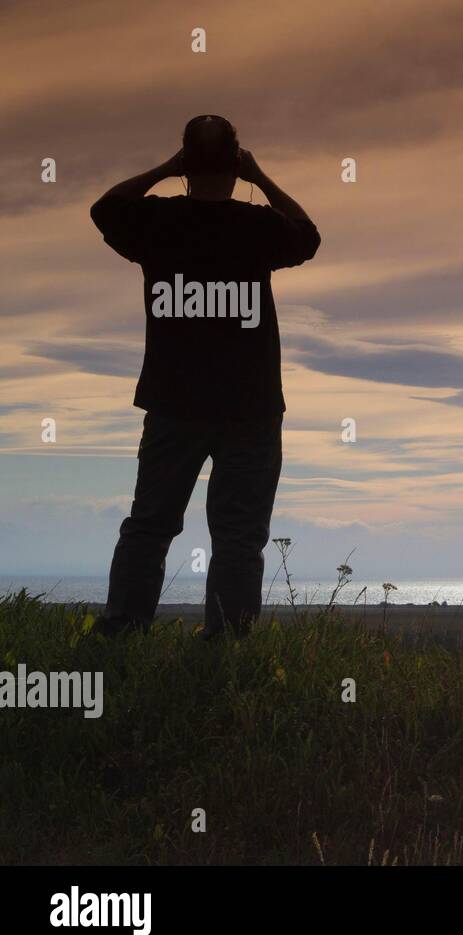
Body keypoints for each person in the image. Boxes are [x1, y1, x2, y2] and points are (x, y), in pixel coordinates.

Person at [90, 115, 320, 636]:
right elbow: (308, 236)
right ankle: (227, 642)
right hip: (251, 407)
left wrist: (167, 169)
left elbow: (104, 210)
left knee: (150, 523)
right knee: (239, 535)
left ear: (186, 163)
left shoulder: (157, 223)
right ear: (237, 164)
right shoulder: (258, 227)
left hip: (174, 403)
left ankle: (123, 628)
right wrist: (261, 179)